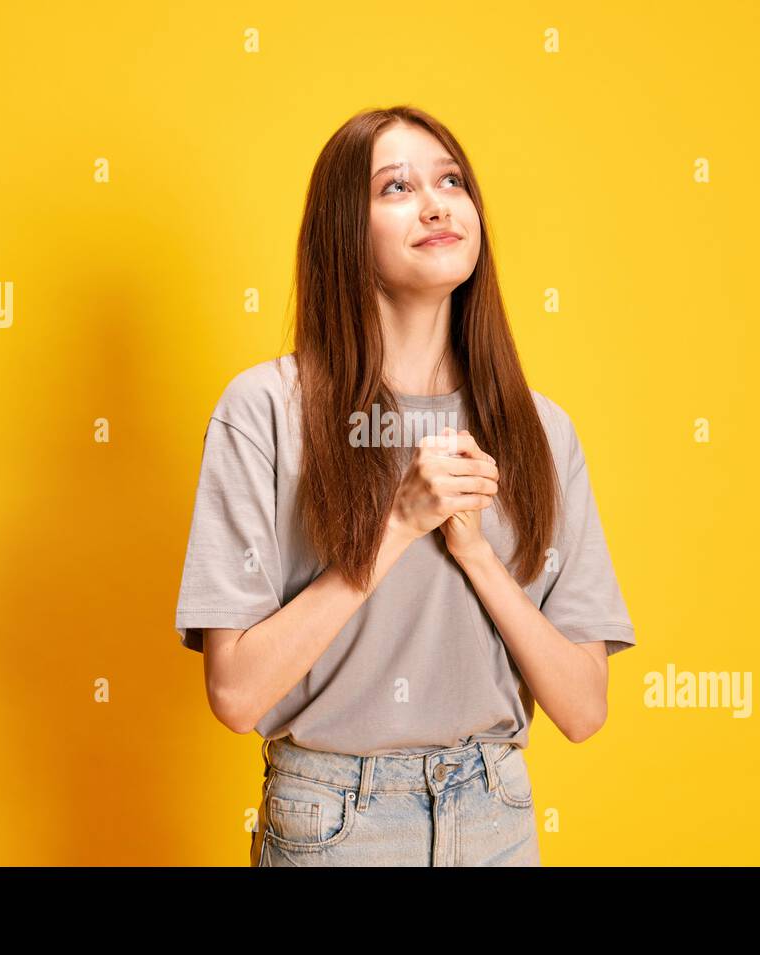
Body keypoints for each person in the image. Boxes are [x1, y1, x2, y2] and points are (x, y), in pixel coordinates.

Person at [174, 106, 637, 866]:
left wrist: (477, 555)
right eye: (396, 186)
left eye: (451, 180)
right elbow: (234, 694)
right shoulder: (265, 410)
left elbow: (584, 709)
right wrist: (396, 526)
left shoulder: (541, 430)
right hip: (333, 822)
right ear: (342, 235)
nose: (436, 202)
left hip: (497, 816)